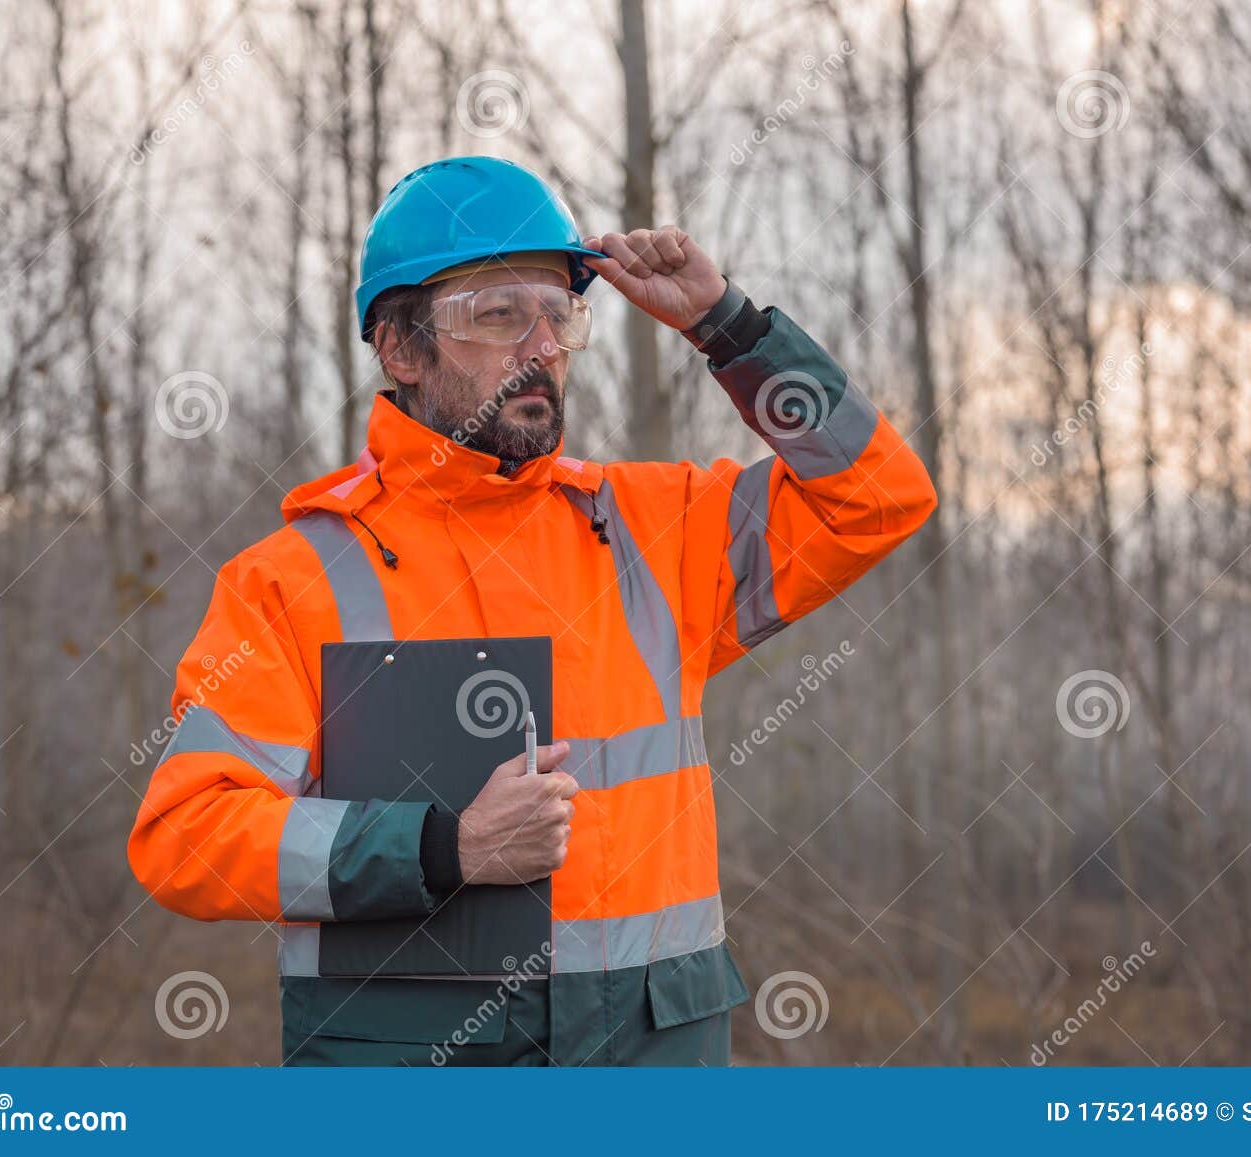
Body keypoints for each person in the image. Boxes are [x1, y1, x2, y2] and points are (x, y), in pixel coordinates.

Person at [126, 155, 937, 1065]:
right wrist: (440, 847)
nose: (541, 346)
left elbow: (876, 496)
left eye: (558, 314)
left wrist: (730, 328)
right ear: (398, 347)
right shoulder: (292, 579)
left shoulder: (655, 531)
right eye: (498, 314)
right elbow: (186, 836)